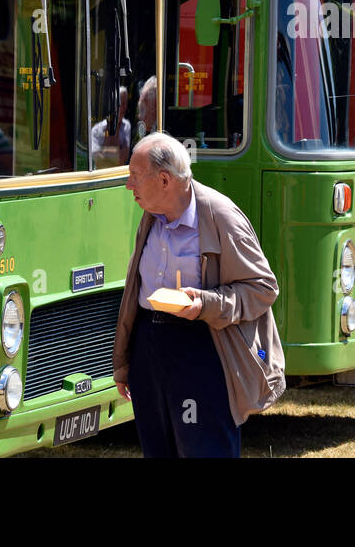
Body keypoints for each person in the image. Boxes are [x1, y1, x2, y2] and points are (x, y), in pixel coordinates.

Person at [112, 132, 285, 456]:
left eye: (134, 177)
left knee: (205, 449)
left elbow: (263, 289)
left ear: (164, 180)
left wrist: (206, 304)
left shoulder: (220, 216)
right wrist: (126, 363)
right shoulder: (151, 215)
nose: (128, 186)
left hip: (201, 349)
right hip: (149, 350)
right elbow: (136, 291)